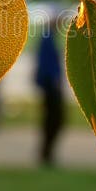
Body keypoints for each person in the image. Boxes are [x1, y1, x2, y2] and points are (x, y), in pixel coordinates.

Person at [33, 26, 65, 167]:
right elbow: (45, 64)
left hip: (50, 85)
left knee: (53, 119)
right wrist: (52, 81)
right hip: (50, 86)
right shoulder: (47, 38)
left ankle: (46, 153)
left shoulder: (49, 38)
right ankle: (46, 153)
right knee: (54, 119)